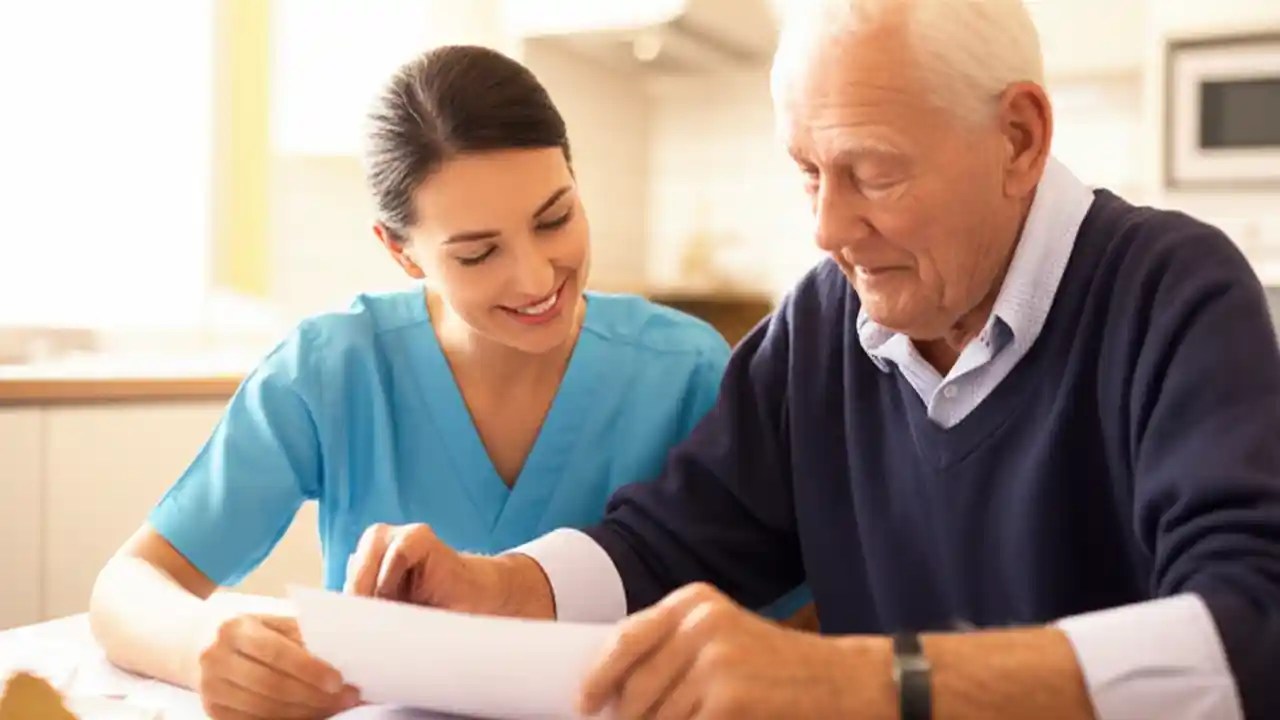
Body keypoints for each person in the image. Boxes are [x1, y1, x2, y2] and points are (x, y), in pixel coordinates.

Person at [343, 2, 1280, 719]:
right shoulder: (827, 320)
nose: (828, 229)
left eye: (873, 173)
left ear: (1019, 140)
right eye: (806, 171)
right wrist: (499, 588)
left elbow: (1250, 630)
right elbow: (670, 541)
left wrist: (865, 680)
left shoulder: (1172, 291)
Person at [88, 45, 806, 720]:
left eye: (554, 218)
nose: (533, 277)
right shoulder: (332, 370)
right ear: (400, 253)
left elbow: (788, 613)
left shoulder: (685, 369)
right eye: (477, 253)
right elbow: (129, 586)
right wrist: (201, 646)